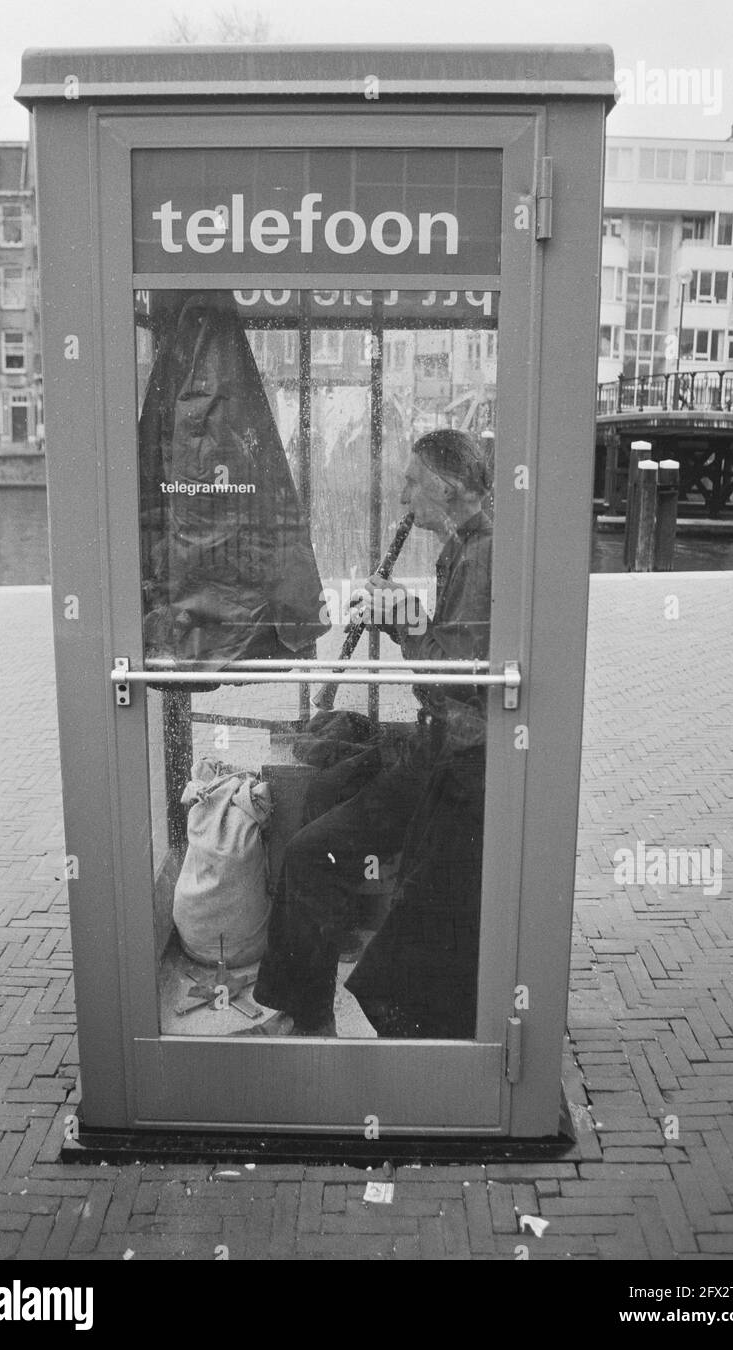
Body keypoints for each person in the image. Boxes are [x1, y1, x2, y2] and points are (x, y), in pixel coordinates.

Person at [242, 429, 493, 1037]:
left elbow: (455, 676)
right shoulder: (466, 545)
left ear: (447, 488)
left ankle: (307, 1018)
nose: (404, 497)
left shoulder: (482, 554)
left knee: (308, 854)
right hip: (445, 745)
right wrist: (401, 618)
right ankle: (308, 989)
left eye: (412, 483)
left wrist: (402, 618)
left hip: (460, 763)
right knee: (328, 787)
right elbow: (450, 650)